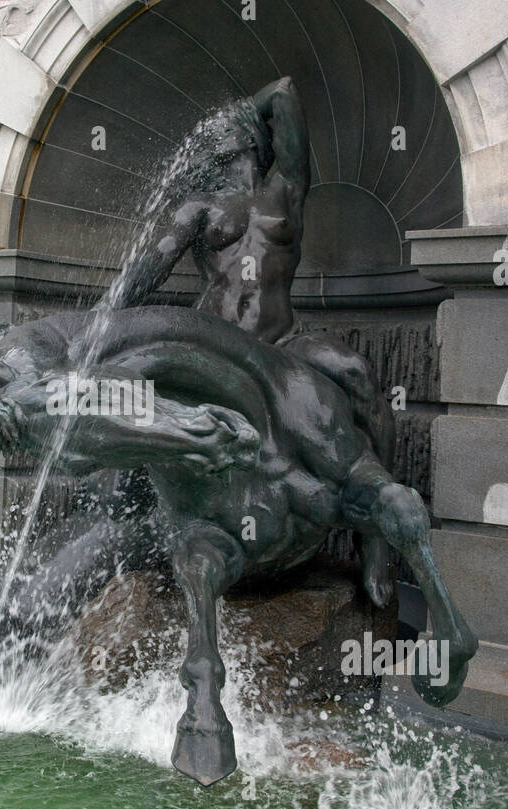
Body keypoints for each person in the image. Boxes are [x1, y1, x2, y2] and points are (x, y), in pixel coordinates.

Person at [108, 76, 398, 606]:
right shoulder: (197, 206)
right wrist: (108, 320)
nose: (215, 138)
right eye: (211, 132)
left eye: (225, 129)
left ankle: (377, 535)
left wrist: (243, 108)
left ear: (250, 137)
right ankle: (151, 528)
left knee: (355, 374)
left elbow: (287, 90)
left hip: (283, 341)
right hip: (219, 344)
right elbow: (148, 268)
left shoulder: (286, 187)